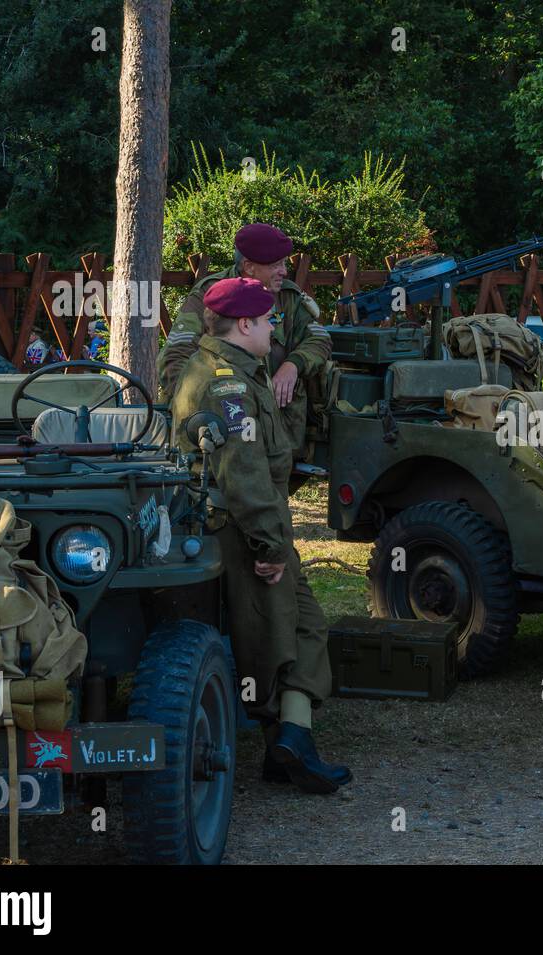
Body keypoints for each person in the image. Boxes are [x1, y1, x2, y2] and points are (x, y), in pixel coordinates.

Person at [170, 276, 350, 794]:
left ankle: (292, 740)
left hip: (256, 529)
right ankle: (288, 745)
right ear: (244, 324)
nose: (275, 328)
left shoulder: (235, 371)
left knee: (305, 626)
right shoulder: (226, 385)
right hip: (243, 535)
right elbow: (244, 477)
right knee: (273, 639)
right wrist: (270, 547)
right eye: (268, 319)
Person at [158, 223, 331, 458]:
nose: (284, 271)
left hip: (276, 424)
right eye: (275, 264)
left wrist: (294, 365)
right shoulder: (213, 295)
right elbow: (175, 356)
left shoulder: (287, 297)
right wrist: (200, 410)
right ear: (248, 266)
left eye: (284, 263)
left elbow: (319, 339)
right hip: (222, 428)